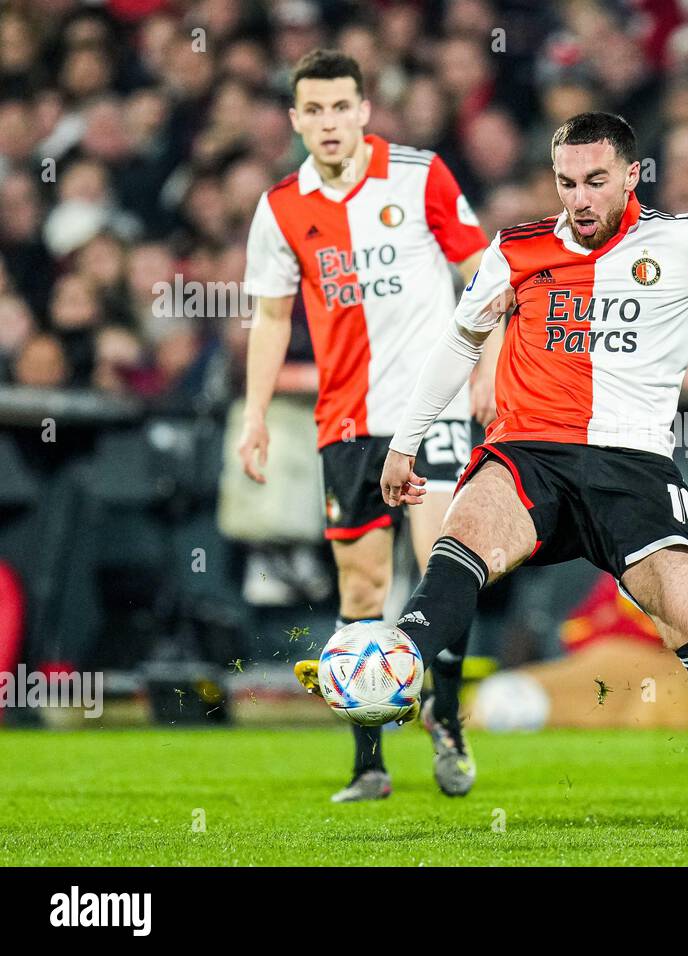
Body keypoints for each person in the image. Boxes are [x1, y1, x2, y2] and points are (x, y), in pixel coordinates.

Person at [373, 111, 688, 834]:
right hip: (531, 452)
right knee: (465, 530)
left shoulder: (686, 244)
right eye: (566, 182)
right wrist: (406, 443)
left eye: (595, 181)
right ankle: (395, 666)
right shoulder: (516, 248)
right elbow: (461, 343)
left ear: (632, 175)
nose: (578, 198)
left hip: (634, 466)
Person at [239, 49, 500, 803]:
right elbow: (270, 316)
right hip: (347, 421)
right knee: (361, 587)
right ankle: (369, 762)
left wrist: (484, 365)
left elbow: (483, 270)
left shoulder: (419, 175)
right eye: (312, 110)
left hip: (433, 411)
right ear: (295, 120)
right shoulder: (281, 205)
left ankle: (445, 719)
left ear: (363, 111)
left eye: (340, 107)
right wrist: (255, 415)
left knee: (444, 561)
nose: (328, 122)